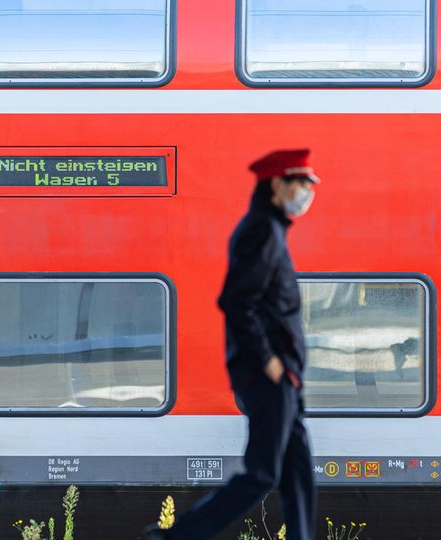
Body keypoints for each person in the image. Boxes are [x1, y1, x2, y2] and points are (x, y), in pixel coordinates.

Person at [143, 149, 320, 540]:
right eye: (302, 183)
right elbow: (237, 301)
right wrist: (269, 362)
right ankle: (175, 536)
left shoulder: (271, 228)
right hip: (269, 375)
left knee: (298, 474)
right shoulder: (261, 230)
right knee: (262, 475)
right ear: (277, 184)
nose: (308, 192)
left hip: (283, 376)